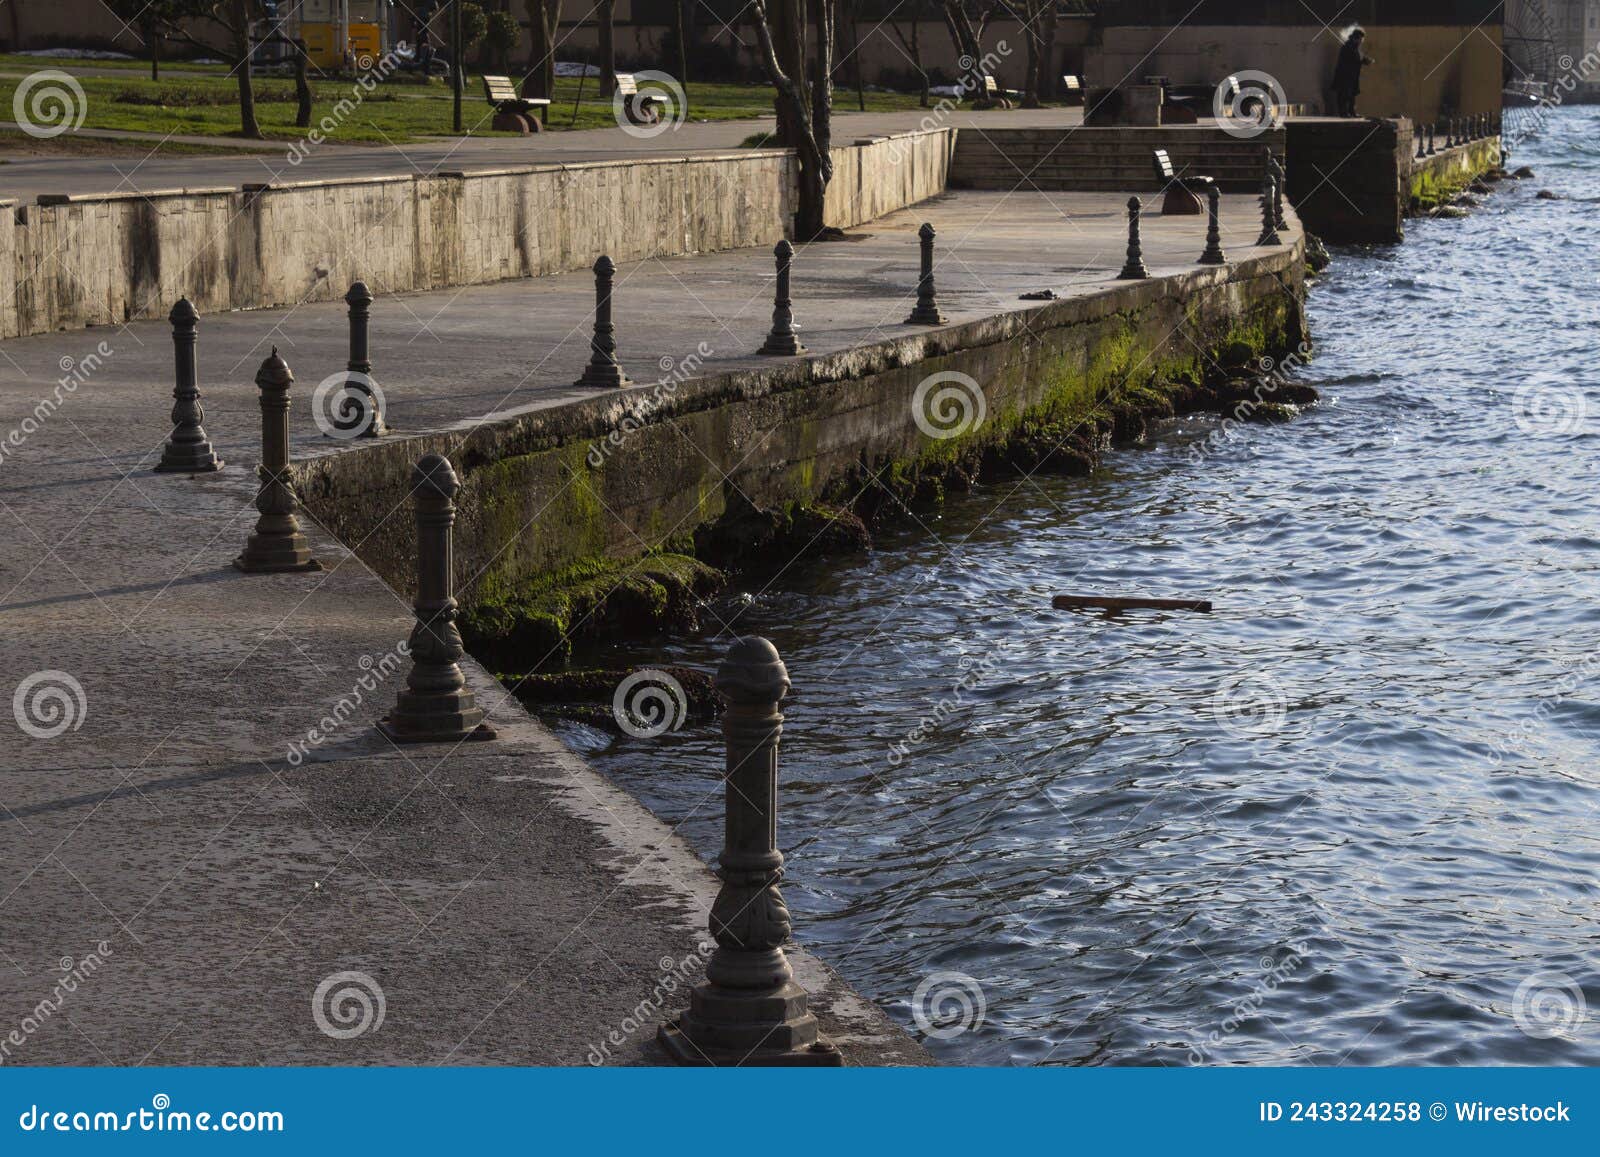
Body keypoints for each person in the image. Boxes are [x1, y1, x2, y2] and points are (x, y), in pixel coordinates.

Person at [1333, 28, 1374, 117]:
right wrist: (1365, 60)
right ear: (1357, 38)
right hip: (1345, 76)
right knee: (1345, 95)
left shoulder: (1354, 46)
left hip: (1352, 76)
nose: (1361, 41)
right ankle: (1344, 113)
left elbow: (1359, 57)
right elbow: (1355, 58)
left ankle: (1351, 112)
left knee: (1352, 95)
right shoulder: (1348, 46)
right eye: (1361, 39)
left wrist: (1366, 60)